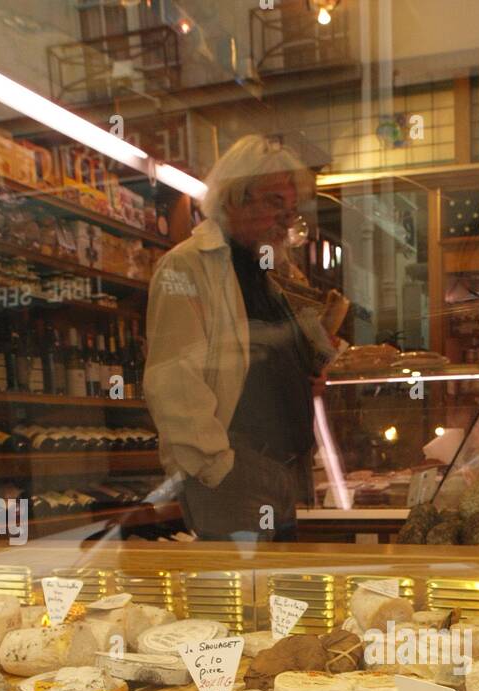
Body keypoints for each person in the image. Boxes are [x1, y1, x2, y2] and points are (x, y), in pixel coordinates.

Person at [144, 136, 340, 543]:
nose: (287, 220)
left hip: (283, 474)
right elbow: (173, 384)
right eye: (274, 203)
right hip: (236, 477)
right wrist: (220, 469)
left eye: (291, 209)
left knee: (281, 599)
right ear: (234, 198)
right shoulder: (187, 266)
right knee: (238, 601)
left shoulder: (272, 274)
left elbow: (268, 363)